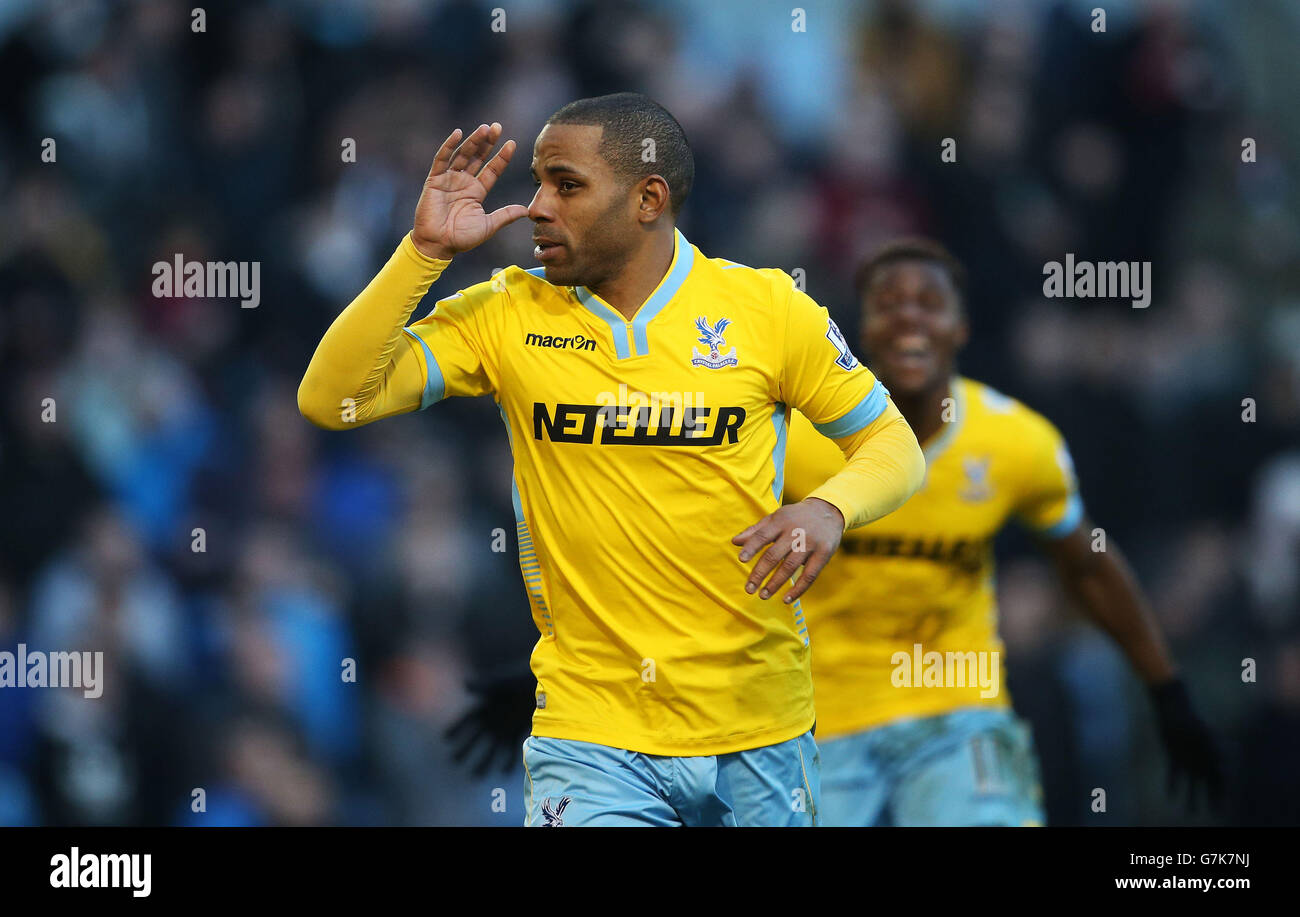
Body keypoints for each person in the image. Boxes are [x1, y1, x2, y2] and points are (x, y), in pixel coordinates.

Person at [298, 93, 926, 826]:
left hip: (759, 732)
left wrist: (828, 507)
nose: (536, 206)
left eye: (565, 185)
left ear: (647, 198)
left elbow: (895, 446)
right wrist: (424, 255)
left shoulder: (769, 311)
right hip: (591, 735)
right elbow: (332, 396)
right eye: (536, 182)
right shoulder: (508, 314)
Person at [783, 237, 1224, 826]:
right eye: (889, 303)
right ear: (861, 329)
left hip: (959, 714)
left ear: (961, 328)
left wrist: (1167, 691)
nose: (909, 314)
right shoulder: (794, 440)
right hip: (814, 719)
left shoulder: (1016, 440)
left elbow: (1087, 564)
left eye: (929, 302)